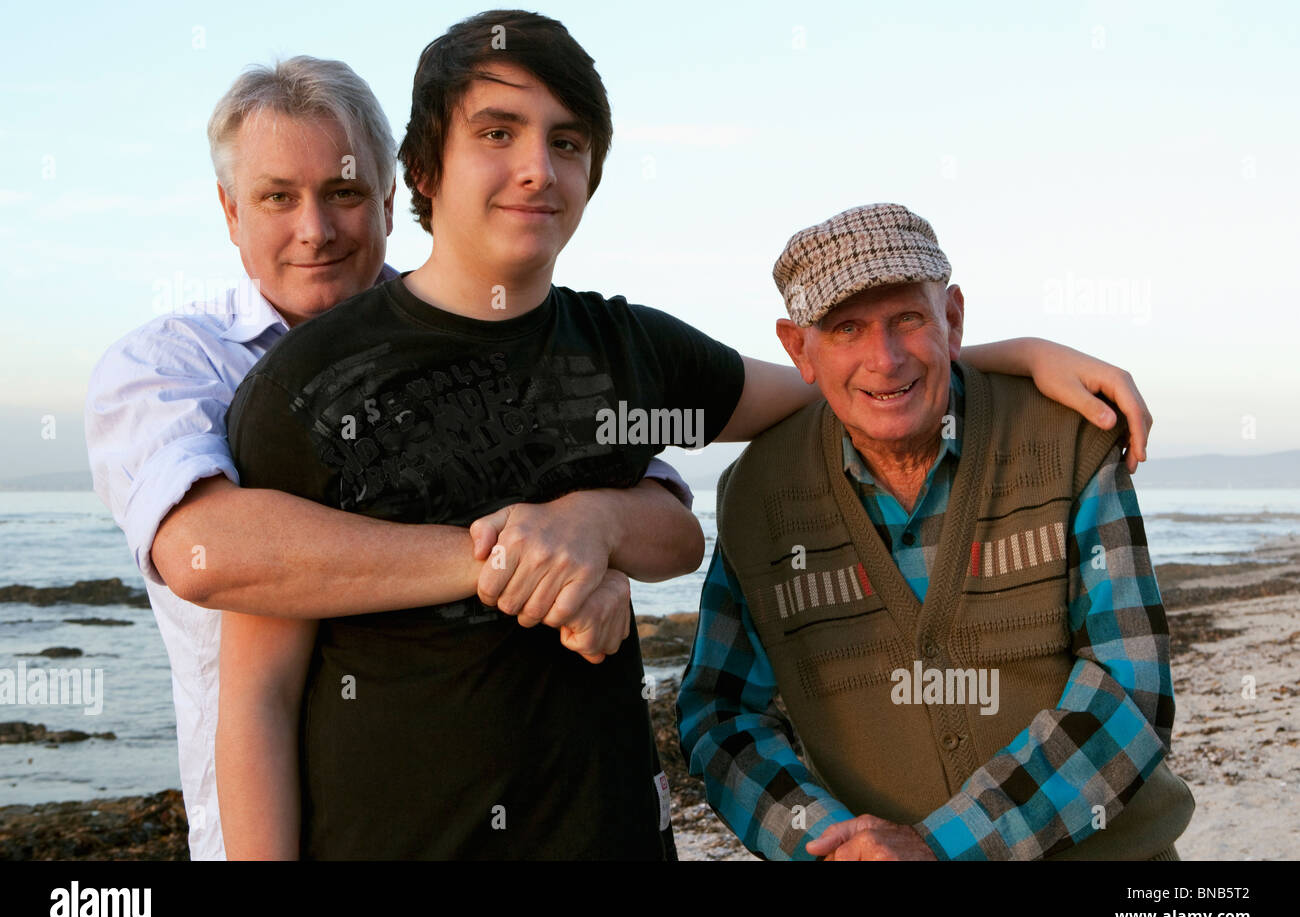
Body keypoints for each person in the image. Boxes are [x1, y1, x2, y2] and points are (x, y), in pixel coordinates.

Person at [215, 11, 1159, 861]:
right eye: (497, 134)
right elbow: (257, 694)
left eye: (568, 140)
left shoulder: (634, 354)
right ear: (422, 168)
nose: (538, 166)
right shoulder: (310, 385)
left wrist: (1011, 357)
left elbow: (845, 379)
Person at [84, 54, 706, 861]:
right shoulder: (172, 365)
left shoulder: (484, 323)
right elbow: (209, 553)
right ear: (229, 210)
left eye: (343, 192)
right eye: (278, 197)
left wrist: (592, 527)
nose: (316, 229)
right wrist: (508, 560)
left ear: (387, 199)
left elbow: (666, 518)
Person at [677, 202, 1195, 861]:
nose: (885, 358)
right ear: (798, 348)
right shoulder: (757, 497)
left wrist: (943, 845)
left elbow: (1130, 686)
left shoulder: (1067, 442)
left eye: (907, 319)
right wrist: (827, 844)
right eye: (845, 329)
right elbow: (720, 714)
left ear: (951, 318)